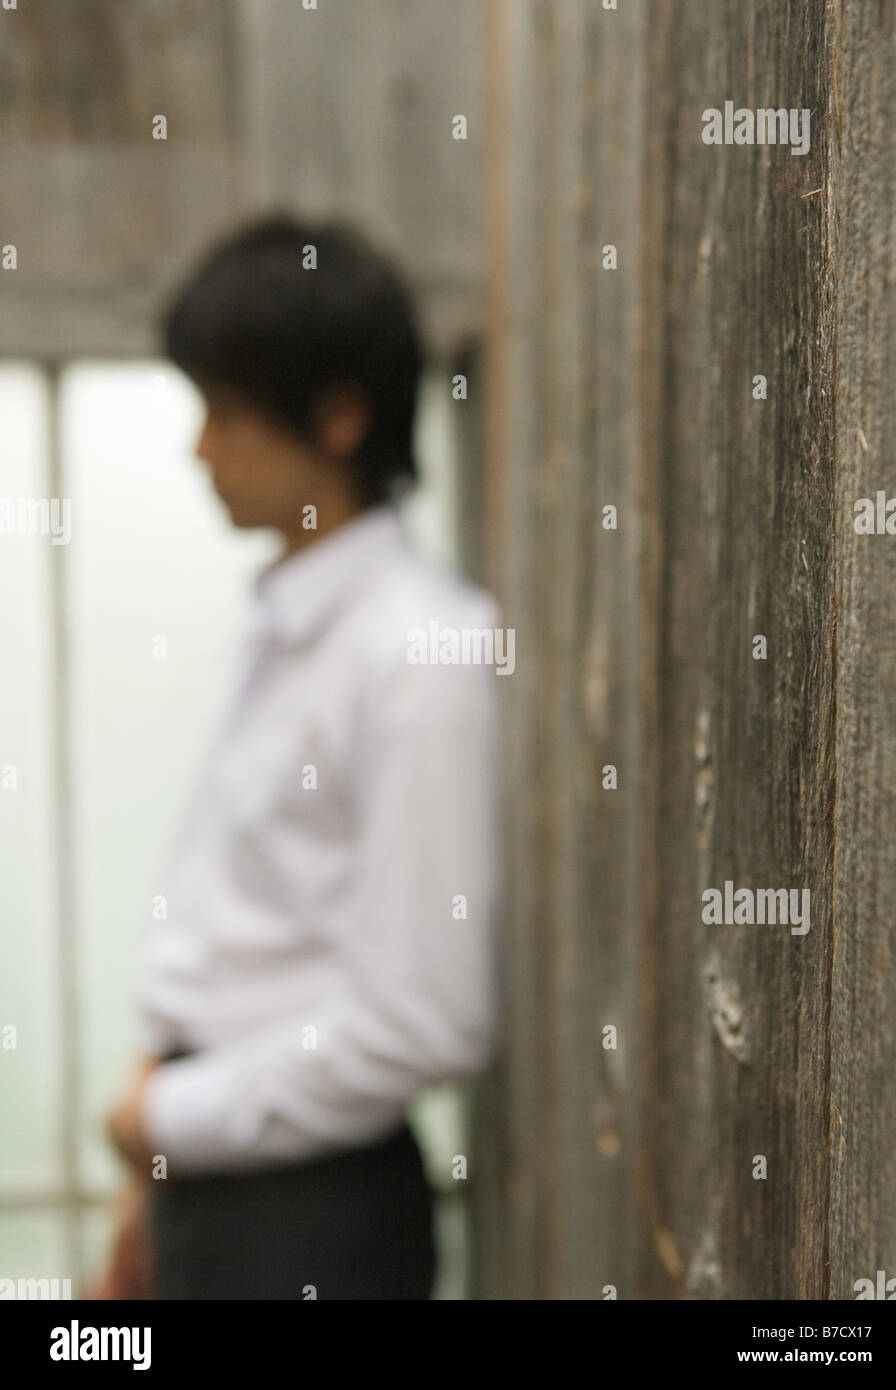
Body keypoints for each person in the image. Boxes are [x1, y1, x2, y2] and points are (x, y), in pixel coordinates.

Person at [87, 214, 503, 1300]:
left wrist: (166, 1118)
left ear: (338, 415)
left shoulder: (420, 648)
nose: (199, 447)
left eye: (223, 412)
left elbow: (427, 1018)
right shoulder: (292, 624)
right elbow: (243, 933)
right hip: (224, 1183)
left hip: (306, 1219)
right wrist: (155, 1165)